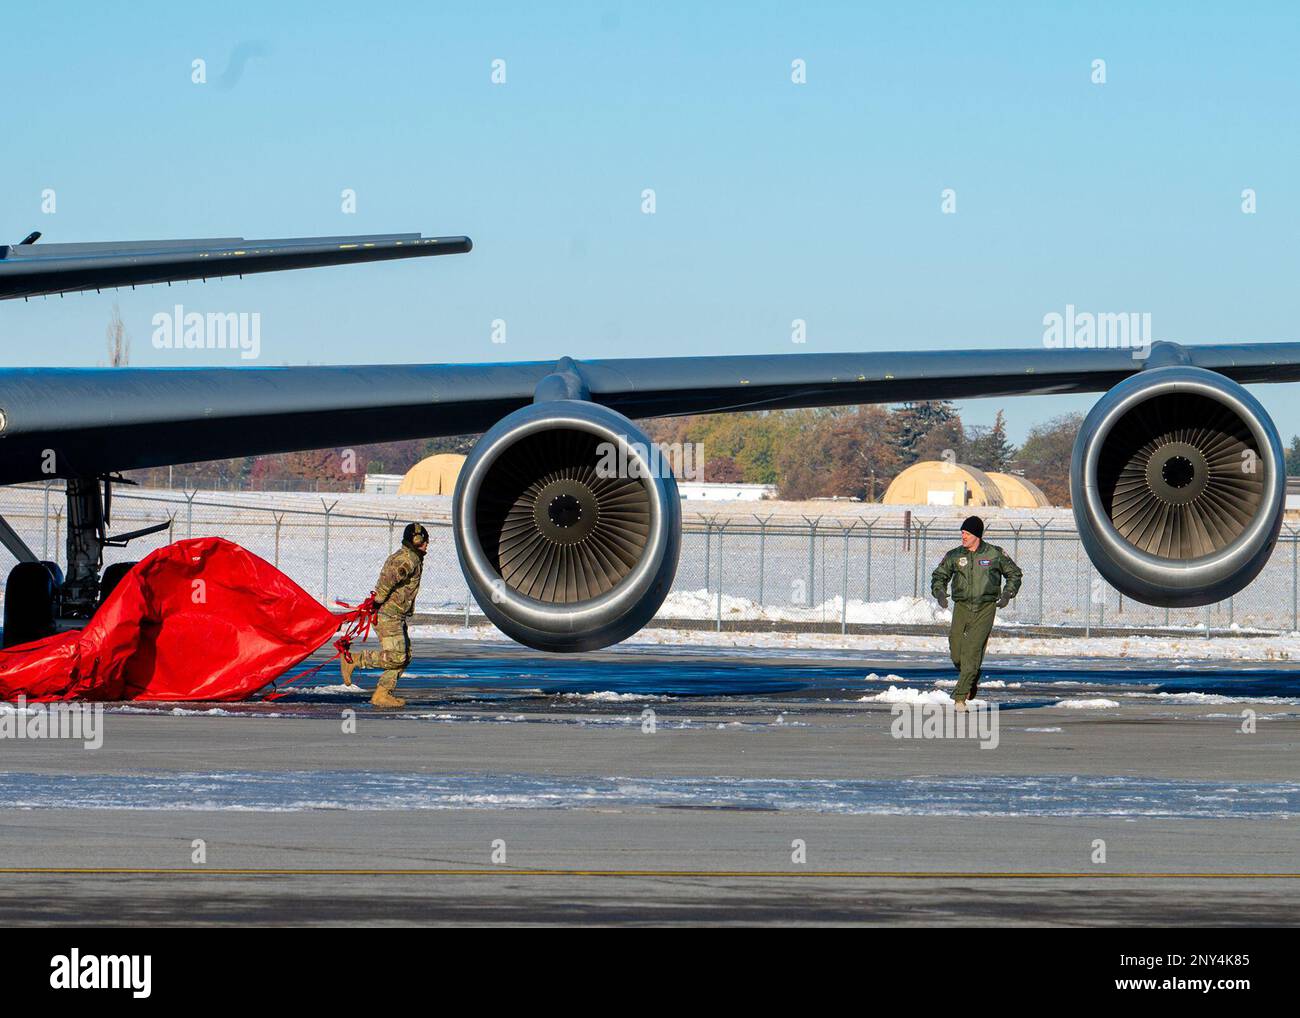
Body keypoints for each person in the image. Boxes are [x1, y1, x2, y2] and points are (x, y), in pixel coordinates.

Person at [930, 515, 1022, 710]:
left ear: (976, 535)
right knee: (956, 652)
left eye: (967, 533)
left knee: (972, 650)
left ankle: (960, 698)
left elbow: (1014, 573)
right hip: (962, 607)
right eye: (962, 532)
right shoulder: (955, 555)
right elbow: (939, 575)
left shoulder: (994, 554)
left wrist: (1007, 594)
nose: (963, 536)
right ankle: (971, 677)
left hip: (985, 607)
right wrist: (939, 593)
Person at [342, 522, 428, 707]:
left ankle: (382, 694)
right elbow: (389, 578)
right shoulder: (408, 559)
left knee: (405, 656)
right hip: (388, 614)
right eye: (422, 540)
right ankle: (355, 660)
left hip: (396, 614)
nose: (426, 545)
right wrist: (379, 599)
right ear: (416, 540)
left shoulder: (411, 557)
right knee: (397, 657)